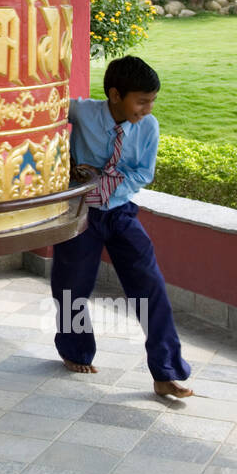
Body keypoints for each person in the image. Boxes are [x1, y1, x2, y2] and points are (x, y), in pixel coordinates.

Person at [52, 54, 193, 399]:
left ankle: (165, 371)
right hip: (80, 214)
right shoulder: (84, 112)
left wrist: (108, 184)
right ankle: (75, 350)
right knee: (71, 285)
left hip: (121, 211)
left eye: (152, 101)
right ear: (115, 95)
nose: (148, 108)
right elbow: (47, 106)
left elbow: (144, 172)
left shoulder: (149, 126)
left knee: (150, 287)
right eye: (142, 101)